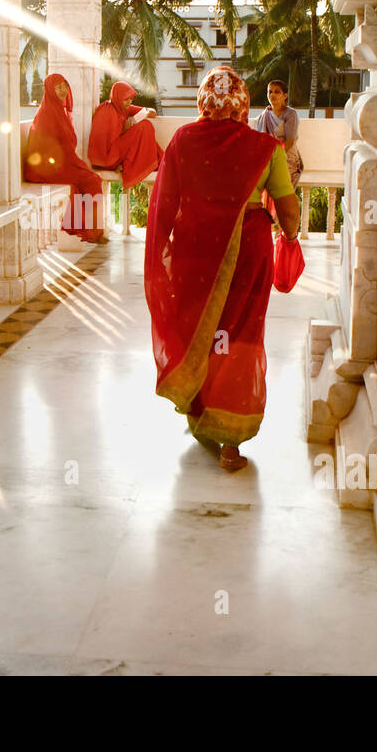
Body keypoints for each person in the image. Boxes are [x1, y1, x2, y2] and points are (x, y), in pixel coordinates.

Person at [145, 65, 299, 472]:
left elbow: (163, 205)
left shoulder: (182, 141)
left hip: (194, 252)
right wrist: (290, 235)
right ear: (243, 105)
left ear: (203, 101)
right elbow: (289, 214)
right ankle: (229, 440)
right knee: (239, 336)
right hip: (248, 253)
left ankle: (200, 414)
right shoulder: (266, 148)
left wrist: (159, 255)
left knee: (203, 329)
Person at [23, 73, 107, 244]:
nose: (62, 90)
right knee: (92, 181)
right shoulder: (46, 114)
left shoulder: (61, 112)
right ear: (50, 90)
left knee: (92, 179)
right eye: (58, 87)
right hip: (47, 168)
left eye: (64, 86)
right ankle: (91, 232)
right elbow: (45, 150)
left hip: (62, 163)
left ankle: (93, 231)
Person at [88, 81, 162, 189]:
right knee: (145, 126)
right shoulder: (107, 111)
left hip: (117, 152)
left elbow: (152, 112)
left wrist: (139, 116)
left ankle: (160, 162)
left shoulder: (123, 108)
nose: (129, 102)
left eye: (130, 99)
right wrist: (125, 129)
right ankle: (160, 162)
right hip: (107, 158)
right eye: (126, 99)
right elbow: (104, 143)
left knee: (145, 127)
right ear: (117, 97)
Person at [253, 80, 304, 187]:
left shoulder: (290, 114)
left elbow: (289, 141)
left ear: (285, 95)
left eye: (277, 92)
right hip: (268, 159)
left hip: (286, 158)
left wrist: (274, 160)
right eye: (270, 92)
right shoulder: (264, 115)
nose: (272, 95)